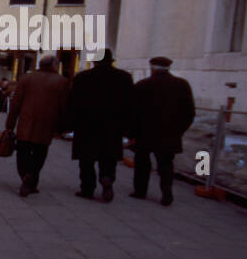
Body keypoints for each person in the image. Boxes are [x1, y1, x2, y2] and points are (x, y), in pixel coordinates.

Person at [67, 48, 133, 202]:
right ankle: (107, 178)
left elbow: (72, 103)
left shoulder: (82, 77)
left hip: (86, 126)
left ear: (95, 61)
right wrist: (128, 129)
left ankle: (87, 189)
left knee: (86, 160)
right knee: (108, 158)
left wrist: (69, 124)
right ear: (111, 61)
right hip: (112, 127)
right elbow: (130, 105)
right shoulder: (124, 78)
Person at [129, 56, 195, 206]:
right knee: (166, 163)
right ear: (168, 68)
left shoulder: (142, 85)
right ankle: (166, 189)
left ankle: (140, 191)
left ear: (151, 68)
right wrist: (180, 130)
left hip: (144, 133)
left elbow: (132, 112)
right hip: (169, 133)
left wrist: (131, 134)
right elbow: (189, 112)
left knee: (142, 163)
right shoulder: (181, 85)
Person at [4, 53, 70, 197]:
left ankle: (25, 177)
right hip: (46, 125)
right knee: (39, 155)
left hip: (25, 124)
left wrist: (10, 124)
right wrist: (62, 128)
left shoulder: (26, 78)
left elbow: (16, 103)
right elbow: (63, 107)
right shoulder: (61, 81)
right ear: (53, 65)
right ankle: (31, 178)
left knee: (22, 153)